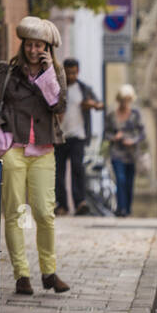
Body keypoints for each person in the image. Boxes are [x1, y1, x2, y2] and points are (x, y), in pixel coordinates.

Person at [0, 16, 71, 296]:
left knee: (45, 213)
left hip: (44, 150)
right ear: (23, 45)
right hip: (14, 151)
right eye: (29, 45)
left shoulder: (55, 71)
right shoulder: (8, 71)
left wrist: (46, 75)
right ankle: (21, 275)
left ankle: (49, 272)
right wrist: (2, 144)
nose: (33, 50)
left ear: (47, 48)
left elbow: (58, 105)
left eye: (39, 46)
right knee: (16, 213)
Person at [55, 57, 103, 216]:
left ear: (78, 72)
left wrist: (93, 105)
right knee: (59, 172)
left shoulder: (84, 89)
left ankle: (80, 202)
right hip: (59, 136)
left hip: (78, 135)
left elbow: (100, 104)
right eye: (68, 73)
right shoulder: (57, 88)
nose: (71, 76)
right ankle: (62, 205)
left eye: (74, 73)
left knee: (77, 168)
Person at [105, 84, 147, 216]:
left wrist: (133, 141)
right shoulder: (112, 114)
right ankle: (121, 209)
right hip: (117, 153)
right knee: (120, 179)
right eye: (123, 99)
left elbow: (142, 134)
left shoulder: (135, 114)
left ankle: (127, 209)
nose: (125, 103)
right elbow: (106, 133)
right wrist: (114, 137)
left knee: (129, 183)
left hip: (132, 154)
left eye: (128, 99)